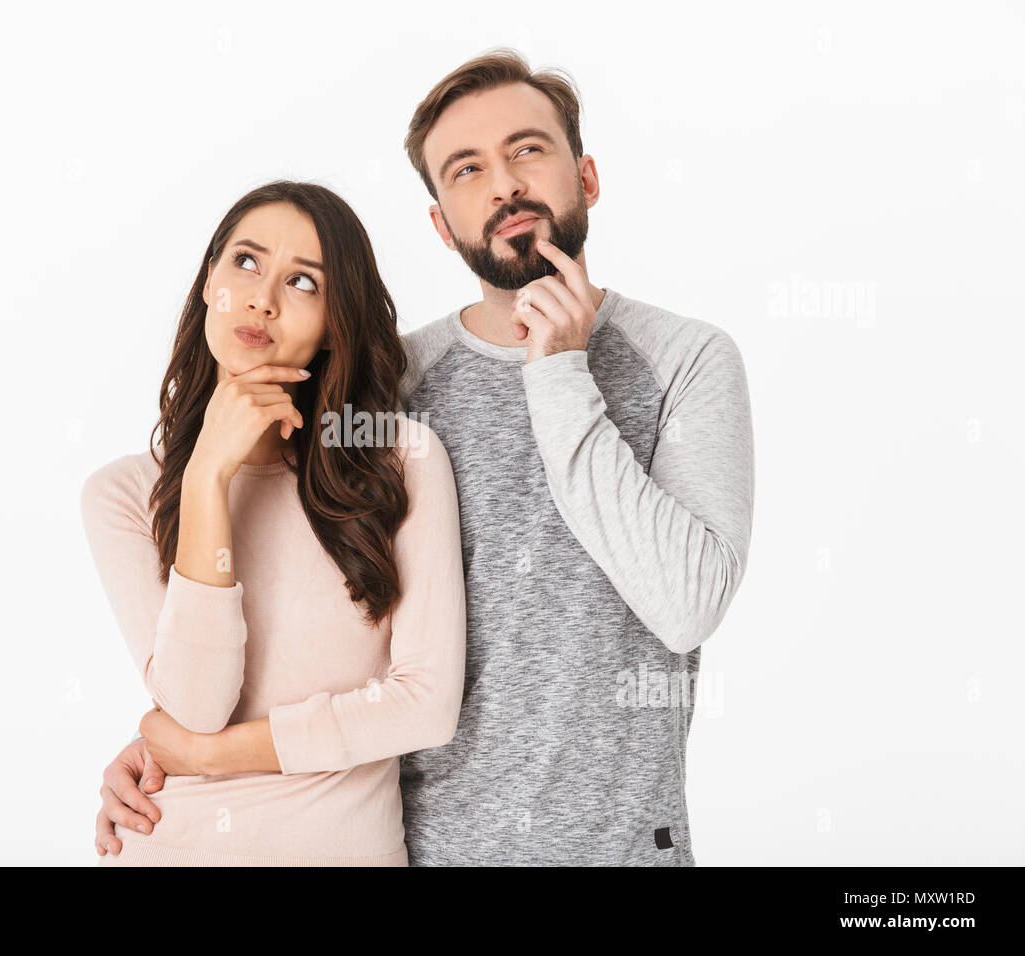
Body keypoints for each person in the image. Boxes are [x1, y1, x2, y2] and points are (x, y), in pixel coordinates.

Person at [97, 48, 755, 866]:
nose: (505, 184)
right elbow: (292, 600)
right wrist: (169, 750)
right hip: (429, 851)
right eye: (467, 169)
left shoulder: (687, 362)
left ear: (586, 176)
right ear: (442, 225)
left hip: (623, 849)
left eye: (528, 150)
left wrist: (558, 373)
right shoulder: (388, 391)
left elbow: (688, 605)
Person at [79, 180, 466, 866]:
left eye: (304, 283)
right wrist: (205, 480)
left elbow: (426, 705)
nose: (262, 298)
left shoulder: (398, 462)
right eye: (247, 263)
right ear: (208, 284)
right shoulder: (122, 494)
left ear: (332, 323)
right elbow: (197, 702)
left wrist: (208, 755)